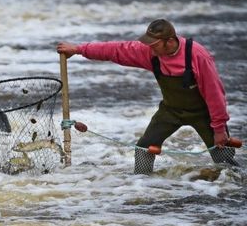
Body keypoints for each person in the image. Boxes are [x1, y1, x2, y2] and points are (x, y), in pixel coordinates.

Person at [56, 19, 239, 174]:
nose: (149, 49)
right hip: (171, 111)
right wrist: (78, 49)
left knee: (223, 160)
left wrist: (219, 128)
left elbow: (215, 94)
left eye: (153, 45)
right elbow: (115, 50)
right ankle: (143, 185)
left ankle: (233, 189)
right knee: (143, 149)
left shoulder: (197, 55)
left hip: (204, 113)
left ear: (169, 41)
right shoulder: (150, 52)